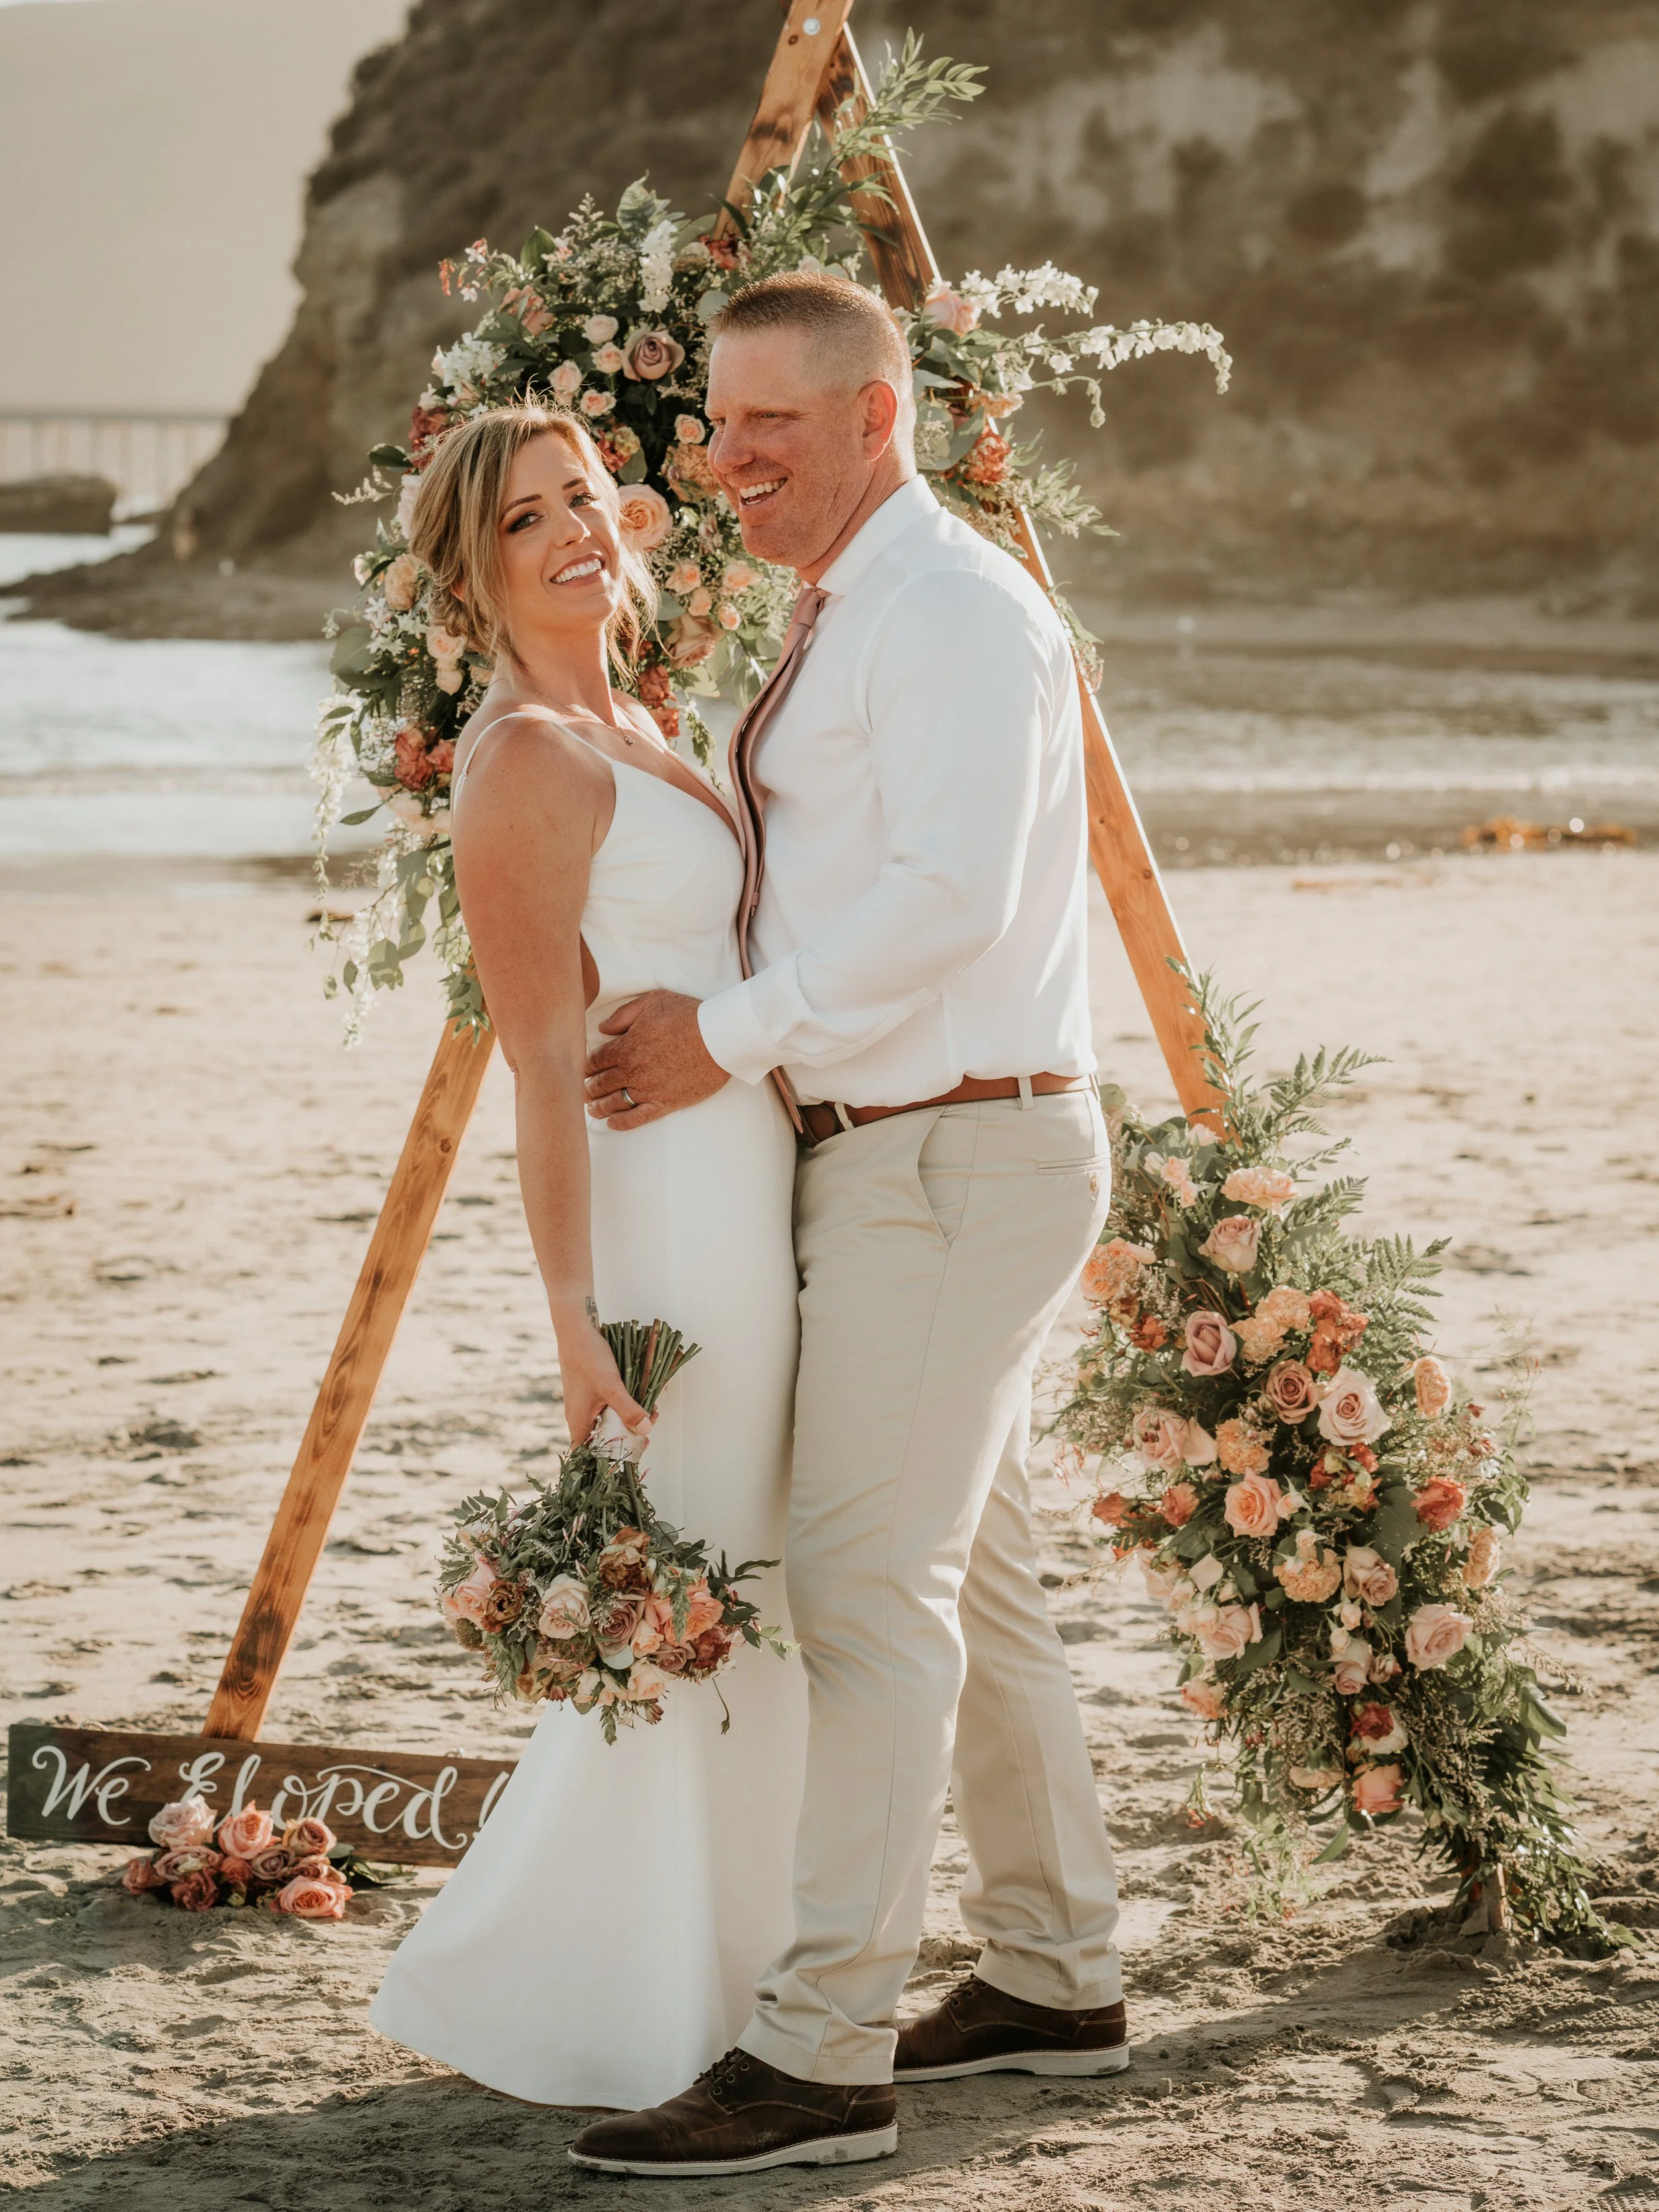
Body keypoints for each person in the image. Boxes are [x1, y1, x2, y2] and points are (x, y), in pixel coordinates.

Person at [569, 273, 1126, 2181]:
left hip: (951, 1157)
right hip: (914, 1150)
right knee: (976, 1578)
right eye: (713, 426)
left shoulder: (953, 610)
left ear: (877, 416)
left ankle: (818, 2052)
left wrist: (720, 1039)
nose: (723, 461)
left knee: (861, 1588)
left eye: (767, 430)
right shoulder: (858, 602)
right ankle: (1055, 1974)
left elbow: (946, 899)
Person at [367, 404, 808, 2111]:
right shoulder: (526, 761)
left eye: (578, 501)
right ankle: (612, 1994)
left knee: (749, 1579)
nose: (571, 535)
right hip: (666, 1218)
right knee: (699, 1578)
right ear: (473, 575)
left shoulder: (631, 713)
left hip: (750, 1176)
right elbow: (539, 1069)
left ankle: (739, 1959)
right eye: (522, 522)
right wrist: (570, 1319)